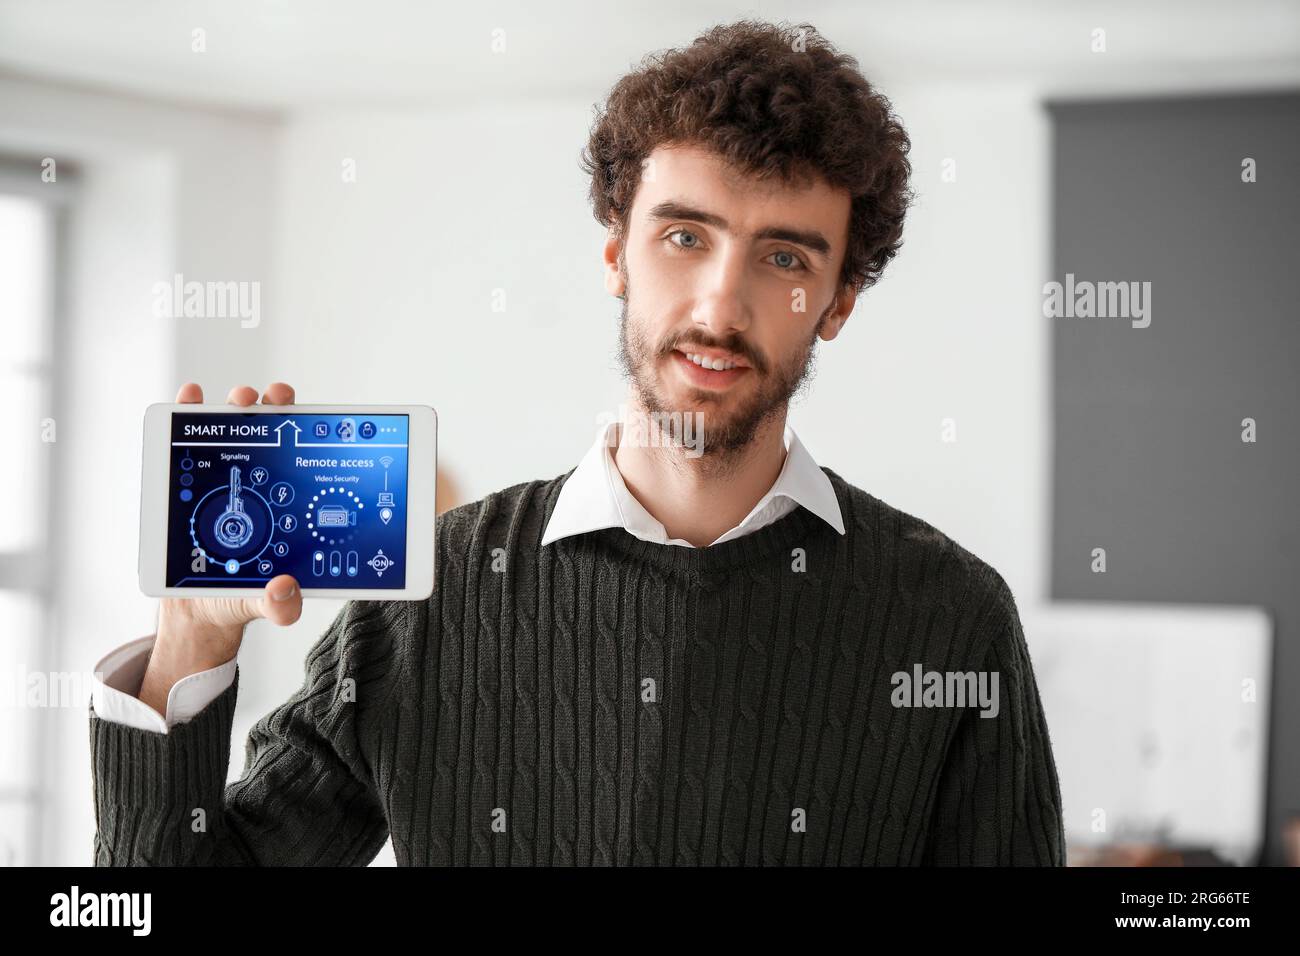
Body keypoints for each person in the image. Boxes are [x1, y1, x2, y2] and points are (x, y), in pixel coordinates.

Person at [89, 19, 1065, 866]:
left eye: (782, 256)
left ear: (838, 301)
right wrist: (190, 639)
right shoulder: (426, 604)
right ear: (616, 255)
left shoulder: (950, 617)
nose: (720, 302)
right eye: (684, 236)